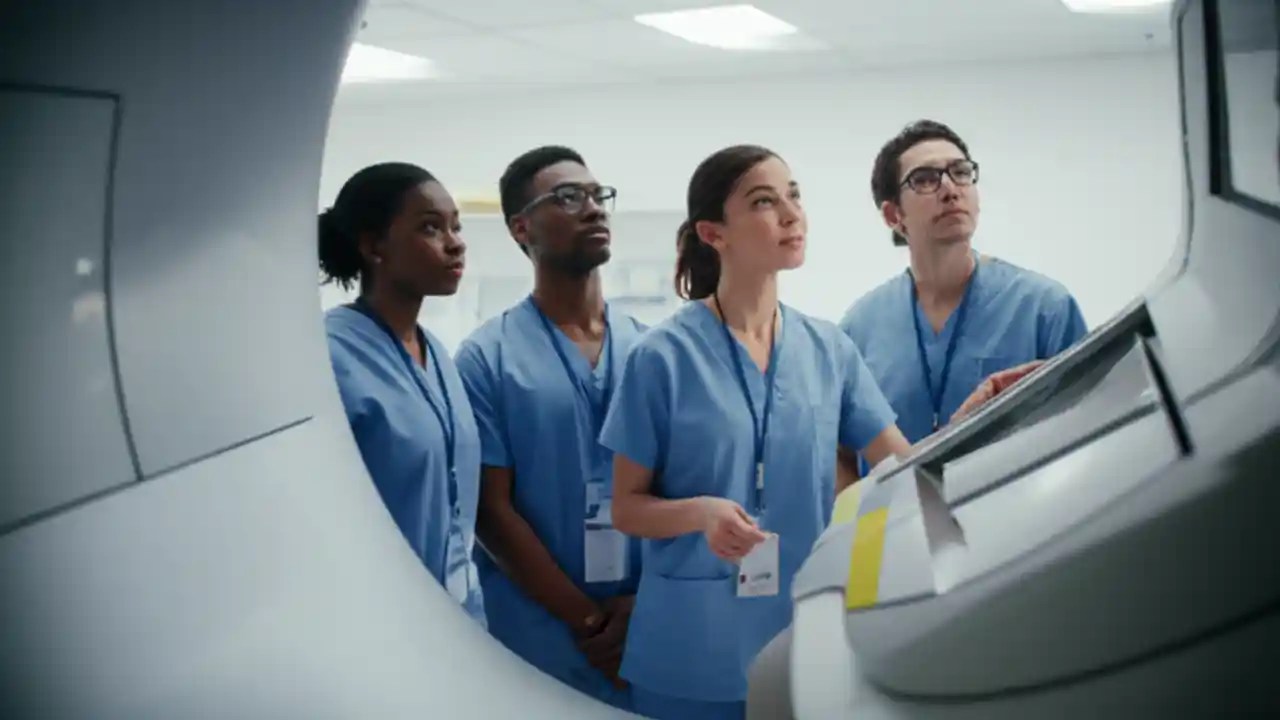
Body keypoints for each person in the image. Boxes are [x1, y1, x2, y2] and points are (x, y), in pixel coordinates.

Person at [597, 145, 915, 720]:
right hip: (690, 651)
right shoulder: (662, 357)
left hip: (801, 638)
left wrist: (977, 418)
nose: (792, 214)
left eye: (794, 195)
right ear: (713, 233)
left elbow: (901, 465)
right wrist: (700, 514)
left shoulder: (828, 350)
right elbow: (626, 508)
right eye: (765, 202)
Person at [454, 146, 643, 710]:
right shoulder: (487, 358)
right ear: (521, 227)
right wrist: (587, 620)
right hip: (540, 636)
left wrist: (643, 604)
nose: (592, 208)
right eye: (567, 197)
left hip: (645, 625)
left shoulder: (652, 349)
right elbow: (491, 511)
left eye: (597, 195)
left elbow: (680, 485)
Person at [840, 119, 1088, 473]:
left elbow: (1088, 423)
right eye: (924, 180)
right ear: (894, 215)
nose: (950, 189)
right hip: (900, 525)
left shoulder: (1043, 308)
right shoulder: (858, 330)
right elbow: (840, 455)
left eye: (960, 172)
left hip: (1020, 520)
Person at [318, 162, 486, 626]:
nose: (455, 242)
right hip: (376, 621)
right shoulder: (329, 356)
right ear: (374, 246)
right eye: (431, 228)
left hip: (460, 616)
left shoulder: (438, 355)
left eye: (456, 225)